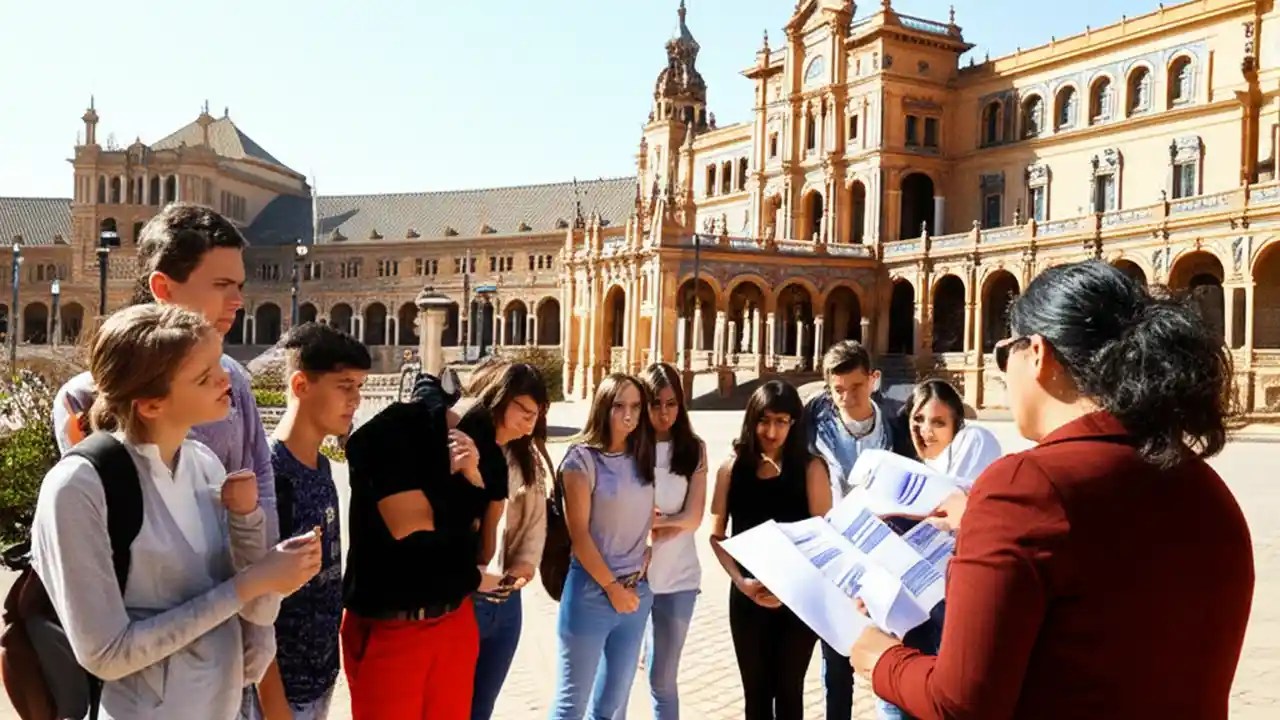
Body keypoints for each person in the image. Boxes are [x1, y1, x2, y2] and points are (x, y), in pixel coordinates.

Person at [851, 260, 1255, 719]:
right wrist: (987, 522)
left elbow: (960, 705)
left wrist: (878, 656)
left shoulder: (1024, 488)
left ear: (1038, 354)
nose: (1002, 372)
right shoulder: (1206, 487)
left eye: (1004, 353)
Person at [30, 304, 321, 720]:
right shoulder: (78, 488)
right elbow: (106, 654)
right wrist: (247, 584)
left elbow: (260, 609)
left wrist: (250, 529)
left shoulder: (203, 465)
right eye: (204, 377)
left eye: (219, 363)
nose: (226, 380)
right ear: (150, 405)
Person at [54, 203, 279, 549]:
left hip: (234, 582)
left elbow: (259, 476)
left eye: (239, 286)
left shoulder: (232, 378)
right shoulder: (85, 396)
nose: (238, 301)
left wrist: (261, 569)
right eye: (222, 285)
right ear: (164, 287)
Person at [340, 369, 502, 720]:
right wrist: (470, 487)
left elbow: (476, 535)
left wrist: (474, 478)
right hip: (393, 630)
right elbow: (411, 524)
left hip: (453, 622)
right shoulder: (388, 437)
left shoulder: (474, 450)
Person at [256, 324, 371, 720]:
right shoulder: (270, 476)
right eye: (345, 385)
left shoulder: (322, 466)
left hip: (319, 682)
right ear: (301, 384)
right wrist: (274, 706)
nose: (356, 399)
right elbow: (254, 606)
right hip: (279, 696)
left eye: (359, 386)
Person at [710, 380, 832, 720]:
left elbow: (825, 539)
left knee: (789, 692)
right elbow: (717, 536)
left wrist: (792, 585)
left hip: (798, 599)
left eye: (782, 421)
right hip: (748, 597)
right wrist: (740, 582)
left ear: (794, 422)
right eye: (764, 420)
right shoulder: (731, 468)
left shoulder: (811, 469)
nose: (772, 430)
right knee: (756, 694)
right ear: (752, 420)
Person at [803, 340, 912, 720]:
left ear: (873, 379)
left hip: (886, 560)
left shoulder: (897, 425)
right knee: (835, 665)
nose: (847, 397)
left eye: (856, 386)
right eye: (838, 389)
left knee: (891, 656)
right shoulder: (812, 427)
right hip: (835, 561)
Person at [549, 373, 656, 720]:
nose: (629, 415)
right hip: (592, 594)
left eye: (636, 407)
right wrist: (611, 588)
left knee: (613, 707)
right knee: (571, 706)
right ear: (602, 407)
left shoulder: (642, 455)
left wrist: (648, 548)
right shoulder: (581, 460)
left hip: (635, 593)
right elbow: (579, 535)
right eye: (619, 406)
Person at [459, 363, 550, 720]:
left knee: (482, 709)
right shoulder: (465, 448)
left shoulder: (526, 458)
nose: (530, 422)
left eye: (536, 415)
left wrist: (524, 567)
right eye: (523, 411)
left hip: (506, 601)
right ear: (499, 400)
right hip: (466, 598)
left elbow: (534, 522)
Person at [639, 362, 707, 720]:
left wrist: (652, 524)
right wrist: (666, 522)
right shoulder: (632, 448)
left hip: (678, 579)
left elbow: (694, 518)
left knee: (662, 678)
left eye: (671, 404)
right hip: (631, 578)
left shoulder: (694, 448)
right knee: (615, 678)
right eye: (655, 404)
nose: (664, 413)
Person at [905, 378, 1002, 487]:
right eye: (918, 419)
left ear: (956, 423)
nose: (926, 430)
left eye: (938, 423)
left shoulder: (975, 438)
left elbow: (949, 495)